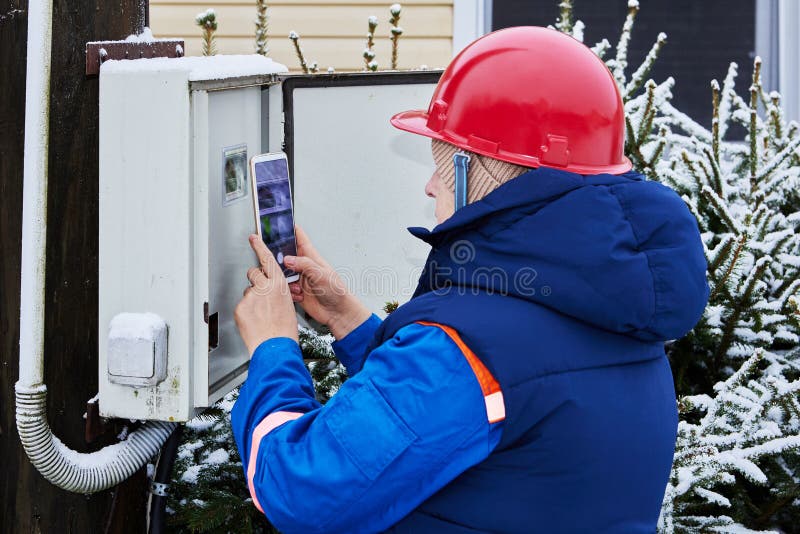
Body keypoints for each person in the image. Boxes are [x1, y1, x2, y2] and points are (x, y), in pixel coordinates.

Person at [231, 27, 709, 533]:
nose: (429, 185)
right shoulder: (616, 308)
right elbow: (474, 408)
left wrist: (274, 347)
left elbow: (300, 489)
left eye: (441, 163)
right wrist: (347, 319)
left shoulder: (463, 351)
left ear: (476, 171)